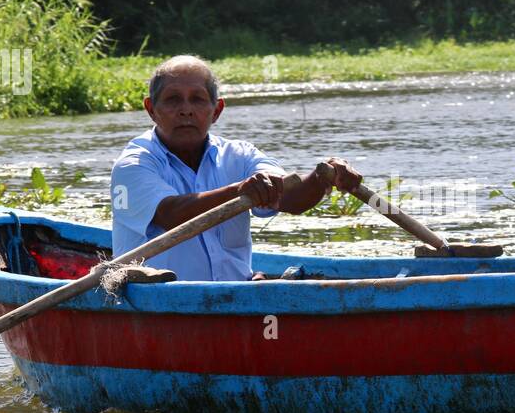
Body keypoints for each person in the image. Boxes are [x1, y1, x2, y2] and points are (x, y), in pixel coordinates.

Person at [110, 55, 360, 281]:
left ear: (216, 110)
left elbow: (290, 198)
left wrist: (322, 177)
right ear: (151, 109)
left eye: (197, 100)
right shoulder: (133, 164)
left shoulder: (240, 155)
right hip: (159, 308)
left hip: (234, 301)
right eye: (173, 100)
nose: (186, 110)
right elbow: (171, 215)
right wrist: (241, 191)